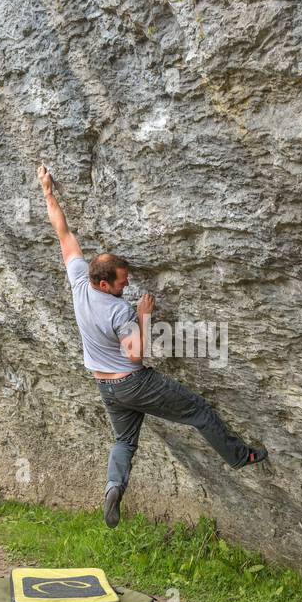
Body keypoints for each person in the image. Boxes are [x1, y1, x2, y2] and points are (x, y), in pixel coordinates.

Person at [38, 164, 267, 529]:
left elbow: (62, 233)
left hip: (106, 386)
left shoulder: (79, 283)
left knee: (125, 441)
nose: (126, 287)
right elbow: (135, 354)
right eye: (121, 282)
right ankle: (240, 456)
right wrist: (144, 315)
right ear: (103, 282)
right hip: (133, 381)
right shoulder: (120, 311)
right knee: (198, 411)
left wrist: (48, 191)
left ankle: (114, 486)